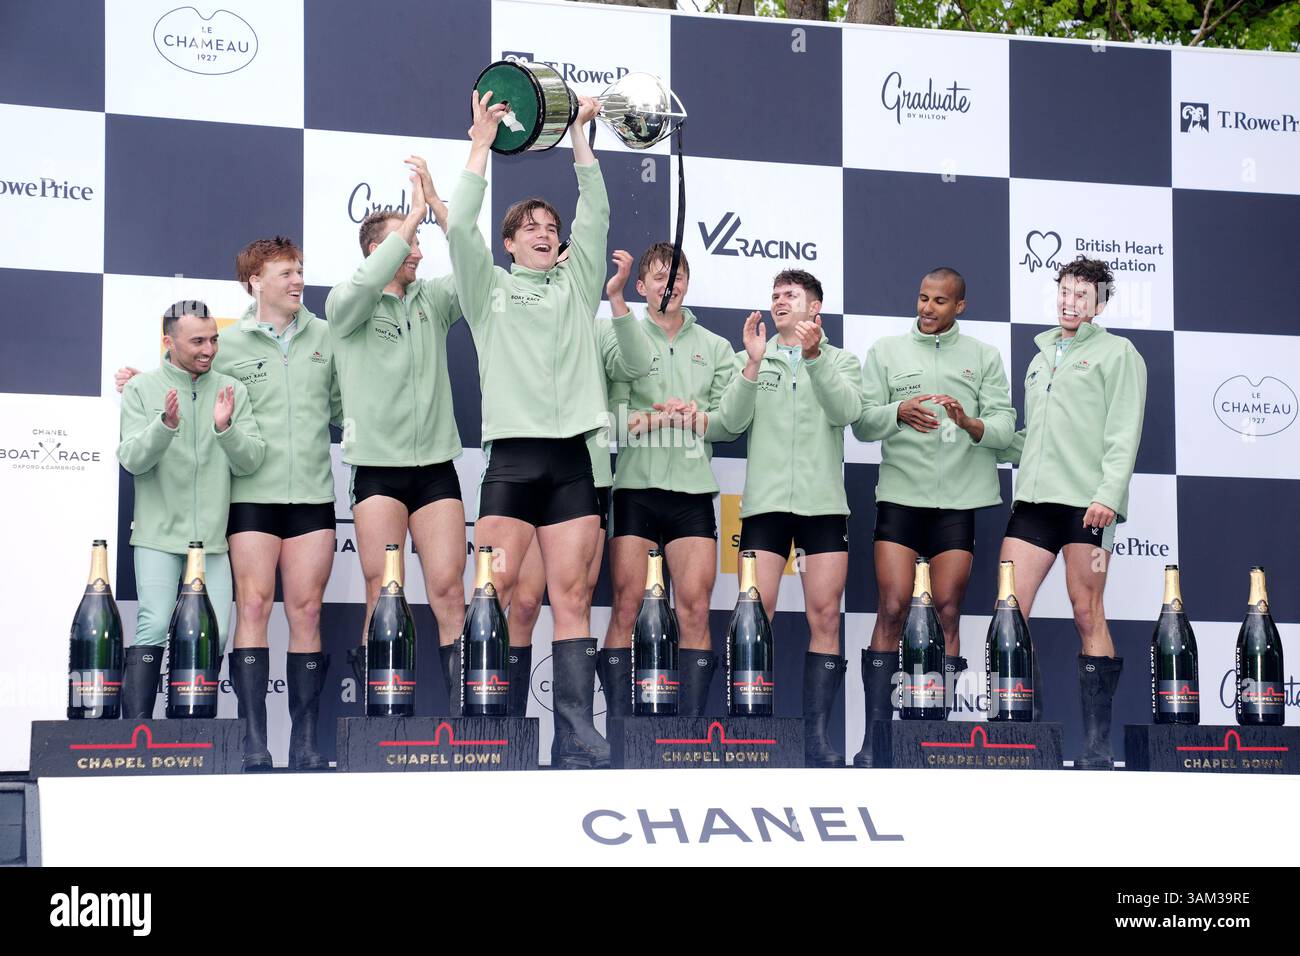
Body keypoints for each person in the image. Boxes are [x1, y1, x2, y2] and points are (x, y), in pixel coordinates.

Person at [117, 238, 344, 770]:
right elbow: (175, 378)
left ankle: (306, 746)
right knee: (254, 609)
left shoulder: (326, 337)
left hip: (313, 493)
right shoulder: (229, 344)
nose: (297, 280)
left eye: (300, 270)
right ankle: (251, 743)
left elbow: (345, 403)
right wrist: (135, 386)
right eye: (285, 271)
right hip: (248, 500)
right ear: (254, 282)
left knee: (308, 611)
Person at [447, 89, 620, 768]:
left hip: (574, 459)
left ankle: (574, 734)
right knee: (501, 598)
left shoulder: (579, 286)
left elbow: (597, 214)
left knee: (571, 596)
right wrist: (481, 147)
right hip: (513, 462)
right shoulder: (486, 290)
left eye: (553, 225)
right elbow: (459, 228)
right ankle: (495, 734)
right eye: (533, 227)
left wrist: (581, 138)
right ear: (511, 242)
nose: (547, 232)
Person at [849, 267, 1016, 767]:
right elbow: (861, 422)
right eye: (922, 297)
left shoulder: (984, 358)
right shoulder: (885, 351)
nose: (926, 307)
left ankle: (933, 737)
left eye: (939, 301)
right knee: (894, 607)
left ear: (959, 306)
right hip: (901, 495)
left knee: (946, 609)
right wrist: (897, 411)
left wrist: (969, 422)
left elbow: (1006, 429)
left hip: (959, 501)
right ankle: (877, 737)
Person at [326, 157, 468, 709]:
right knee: (382, 593)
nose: (417, 248)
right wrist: (407, 222)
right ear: (375, 252)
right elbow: (358, 288)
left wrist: (435, 207)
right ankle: (381, 722)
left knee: (449, 590)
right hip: (378, 469)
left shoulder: (432, 298)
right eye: (406, 241)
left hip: (435, 467)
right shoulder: (346, 304)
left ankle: (467, 719)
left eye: (417, 239)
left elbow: (473, 263)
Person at [488, 249, 651, 719]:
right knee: (519, 601)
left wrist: (616, 298)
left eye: (565, 253)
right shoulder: (512, 310)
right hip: (524, 470)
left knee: (572, 598)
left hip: (586, 478)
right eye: (548, 250)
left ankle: (572, 736)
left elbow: (635, 365)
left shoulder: (594, 323)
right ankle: (508, 726)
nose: (557, 260)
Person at [998, 256, 1147, 770]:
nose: (1070, 302)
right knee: (1008, 609)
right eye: (1064, 292)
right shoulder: (1041, 355)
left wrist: (1108, 494)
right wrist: (981, 434)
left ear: (1101, 303)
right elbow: (1032, 438)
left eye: (1082, 295)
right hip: (1034, 502)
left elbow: (1123, 431)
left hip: (1088, 506)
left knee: (1088, 613)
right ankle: (1025, 726)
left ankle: (1097, 746)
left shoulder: (1118, 353)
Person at [717, 270, 863, 766]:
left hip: (823, 507)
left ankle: (817, 740)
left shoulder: (841, 359)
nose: (779, 302)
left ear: (814, 308)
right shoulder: (752, 357)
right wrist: (754, 366)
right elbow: (730, 423)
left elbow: (847, 412)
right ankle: (748, 729)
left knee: (825, 617)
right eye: (775, 295)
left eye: (790, 295)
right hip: (764, 509)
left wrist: (817, 359)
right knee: (753, 616)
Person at [599, 242, 738, 718]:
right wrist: (656, 420)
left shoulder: (717, 347)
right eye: (659, 277)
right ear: (641, 286)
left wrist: (696, 417)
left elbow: (729, 422)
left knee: (695, 608)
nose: (669, 285)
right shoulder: (622, 337)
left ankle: (691, 731)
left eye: (677, 276)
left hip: (693, 493)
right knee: (626, 605)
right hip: (636, 489)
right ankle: (619, 726)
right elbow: (613, 421)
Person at [117, 301, 264, 720]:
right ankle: (136, 737)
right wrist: (164, 426)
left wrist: (225, 428)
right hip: (157, 537)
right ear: (169, 342)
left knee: (212, 636)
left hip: (212, 542)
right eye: (197, 340)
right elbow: (132, 459)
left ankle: (195, 734)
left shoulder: (232, 389)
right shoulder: (142, 389)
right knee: (153, 625)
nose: (209, 349)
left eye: (214, 339)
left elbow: (250, 460)